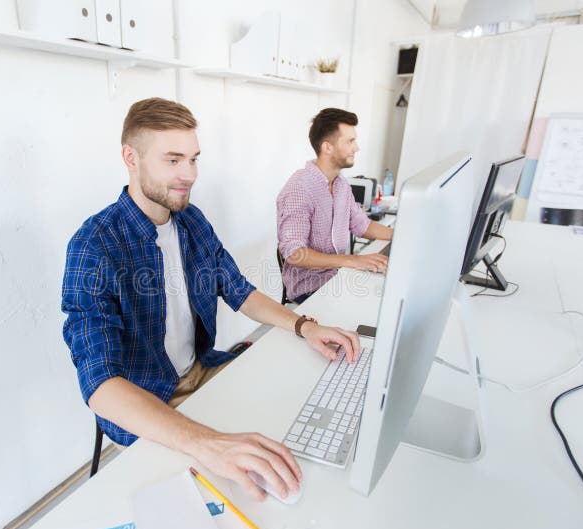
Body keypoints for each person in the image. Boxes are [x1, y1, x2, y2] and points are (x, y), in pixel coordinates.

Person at [61, 98, 362, 501]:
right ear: (130, 158)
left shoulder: (191, 221)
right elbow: (100, 384)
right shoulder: (95, 245)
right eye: (173, 160)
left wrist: (304, 325)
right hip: (149, 402)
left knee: (297, 421)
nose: (189, 175)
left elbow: (239, 290)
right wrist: (208, 444)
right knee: (239, 487)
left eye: (194, 159)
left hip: (203, 372)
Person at [277, 108, 393, 304]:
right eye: (350, 141)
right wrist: (351, 260)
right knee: (379, 302)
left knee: (388, 291)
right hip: (310, 287)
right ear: (327, 147)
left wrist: (402, 236)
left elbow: (362, 225)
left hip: (338, 276)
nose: (356, 148)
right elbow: (295, 254)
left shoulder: (341, 185)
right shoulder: (299, 188)